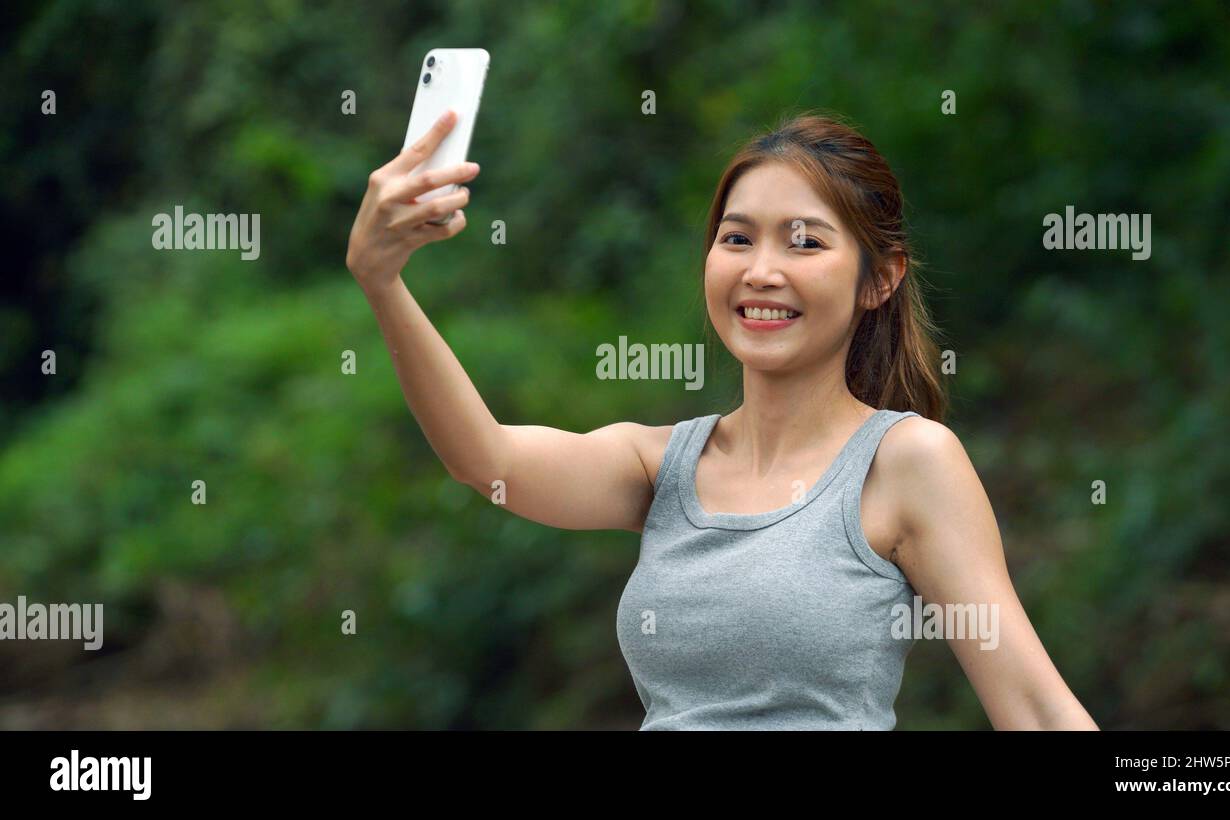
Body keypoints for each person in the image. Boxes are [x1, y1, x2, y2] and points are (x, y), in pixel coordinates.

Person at [345, 108, 1099, 730]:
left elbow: (1035, 712)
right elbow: (490, 464)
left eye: (804, 242)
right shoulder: (661, 465)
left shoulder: (905, 462)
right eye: (737, 238)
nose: (761, 270)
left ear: (881, 279)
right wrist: (383, 282)